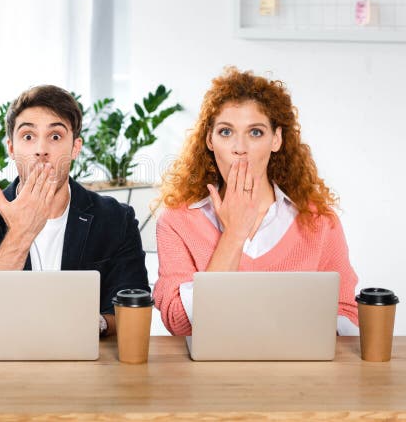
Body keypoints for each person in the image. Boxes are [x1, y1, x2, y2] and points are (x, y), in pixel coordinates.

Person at [153, 67, 359, 336]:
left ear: (276, 139)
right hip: (208, 376)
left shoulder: (319, 221)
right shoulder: (176, 221)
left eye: (256, 133)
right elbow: (179, 324)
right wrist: (235, 233)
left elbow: (346, 315)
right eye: (226, 132)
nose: (240, 147)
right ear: (210, 141)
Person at [0, 85, 149, 335]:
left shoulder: (116, 219)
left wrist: (95, 324)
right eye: (28, 136)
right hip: (1, 363)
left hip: (88, 365)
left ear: (75, 148)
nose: (42, 149)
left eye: (55, 136)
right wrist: (20, 234)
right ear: (11, 148)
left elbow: (134, 307)